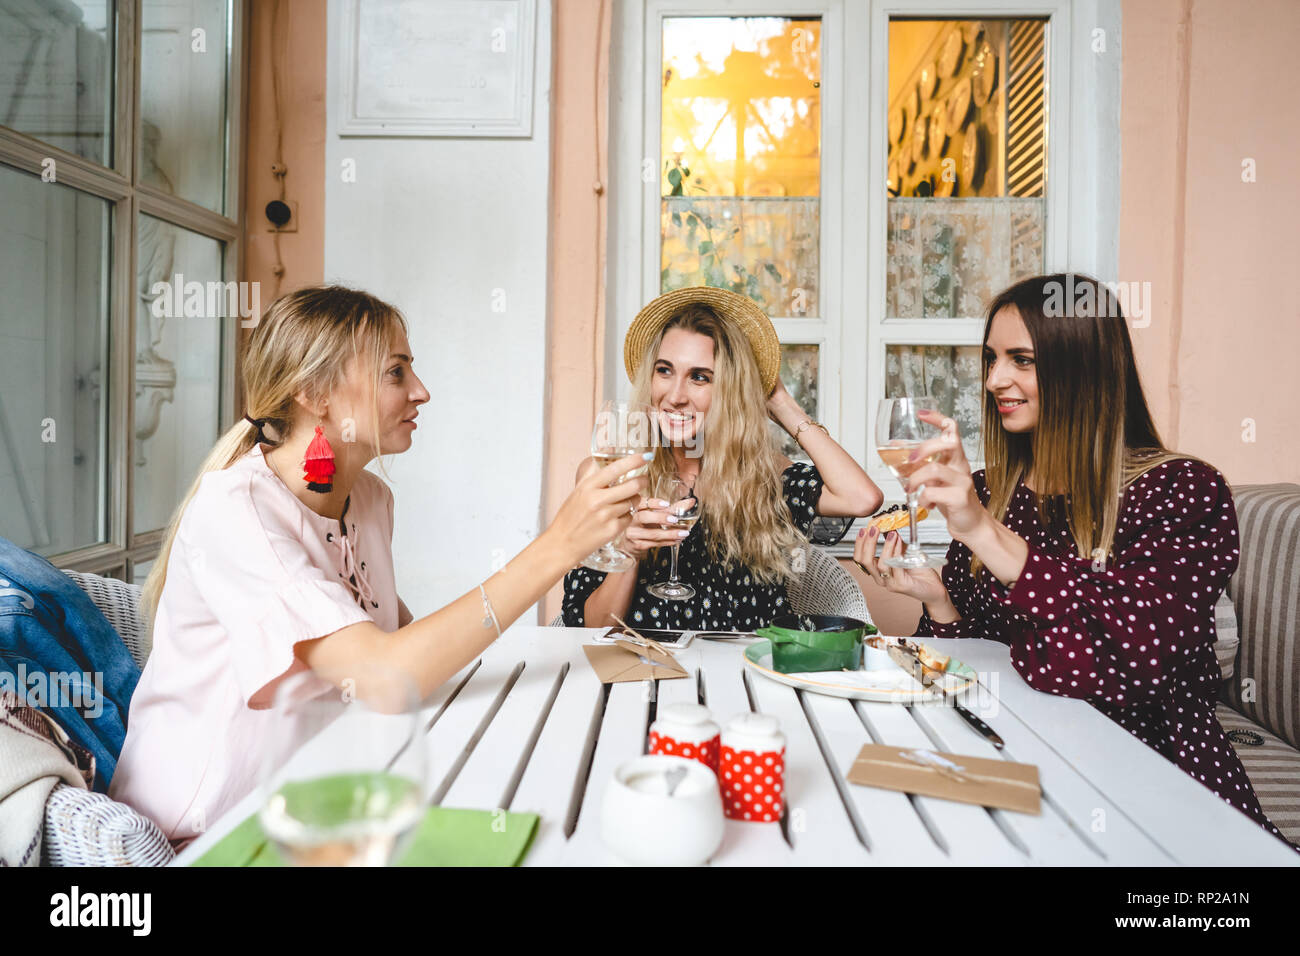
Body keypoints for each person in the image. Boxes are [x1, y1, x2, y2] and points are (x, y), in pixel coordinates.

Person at [109, 286, 647, 844]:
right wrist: (559, 546)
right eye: (396, 372)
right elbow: (389, 677)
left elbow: (404, 645)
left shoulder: (368, 499)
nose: (421, 391)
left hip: (327, 794)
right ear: (314, 391)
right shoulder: (237, 511)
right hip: (208, 833)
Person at [853, 272, 1291, 846]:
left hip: (1154, 780)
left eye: (1021, 360)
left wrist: (987, 535)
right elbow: (986, 663)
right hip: (1026, 755)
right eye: (991, 360)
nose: (994, 380)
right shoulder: (991, 490)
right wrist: (938, 600)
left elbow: (1121, 659)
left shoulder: (1180, 490)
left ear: (1084, 369)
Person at [564, 287, 882, 631]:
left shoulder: (761, 472)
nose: (674, 396)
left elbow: (862, 498)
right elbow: (591, 629)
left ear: (730, 389)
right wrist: (630, 550)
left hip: (748, 675)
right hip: (646, 675)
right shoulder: (610, 476)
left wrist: (780, 404)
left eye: (699, 377)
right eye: (664, 371)